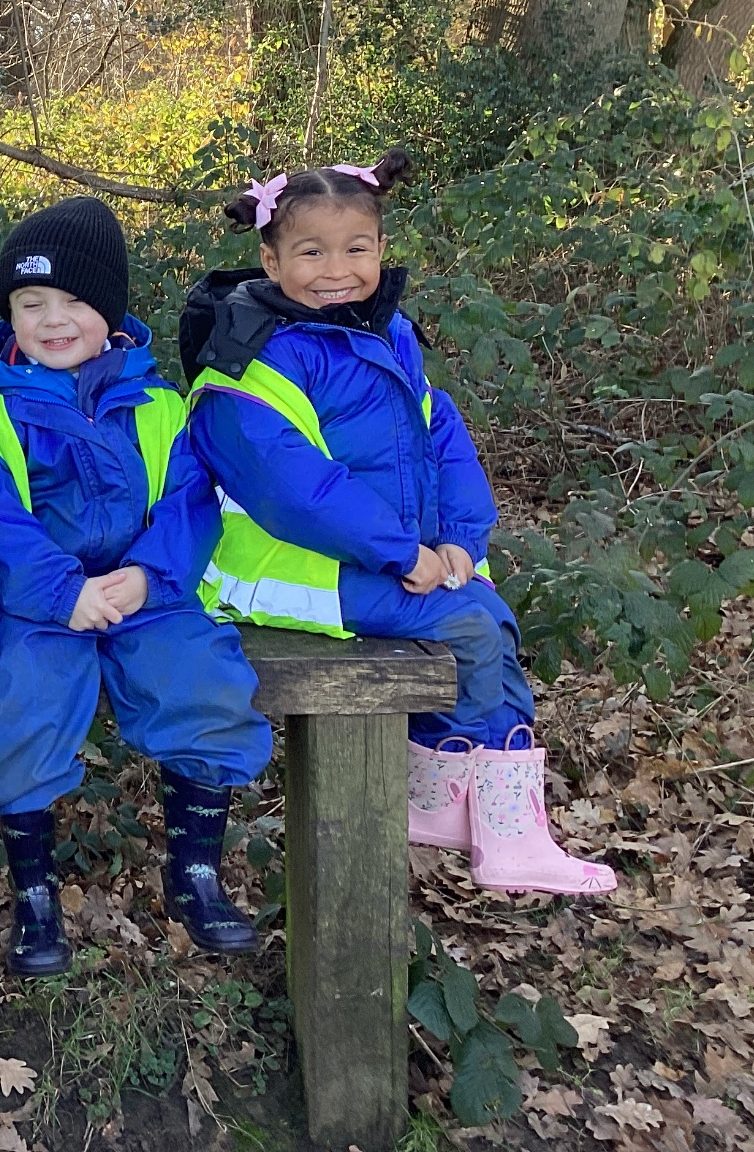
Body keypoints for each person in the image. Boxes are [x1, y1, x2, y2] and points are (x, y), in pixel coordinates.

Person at [181, 155, 615, 896]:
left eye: (356, 249)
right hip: (278, 569)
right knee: (469, 627)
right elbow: (294, 490)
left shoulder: (386, 332)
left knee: (484, 607)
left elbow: (437, 433)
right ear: (270, 257)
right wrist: (396, 552)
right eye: (311, 252)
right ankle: (501, 832)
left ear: (382, 250)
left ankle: (451, 799)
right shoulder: (250, 354)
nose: (336, 270)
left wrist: (458, 539)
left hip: (379, 557)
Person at [0, 197, 274, 969]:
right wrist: (61, 592)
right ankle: (35, 892)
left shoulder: (161, 404)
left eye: (75, 302)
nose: (53, 319)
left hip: (147, 592)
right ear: (9, 314)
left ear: (112, 312)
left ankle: (194, 869)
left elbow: (190, 501)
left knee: (199, 678)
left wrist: (146, 575)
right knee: (22, 699)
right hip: (35, 603)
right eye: (31, 304)